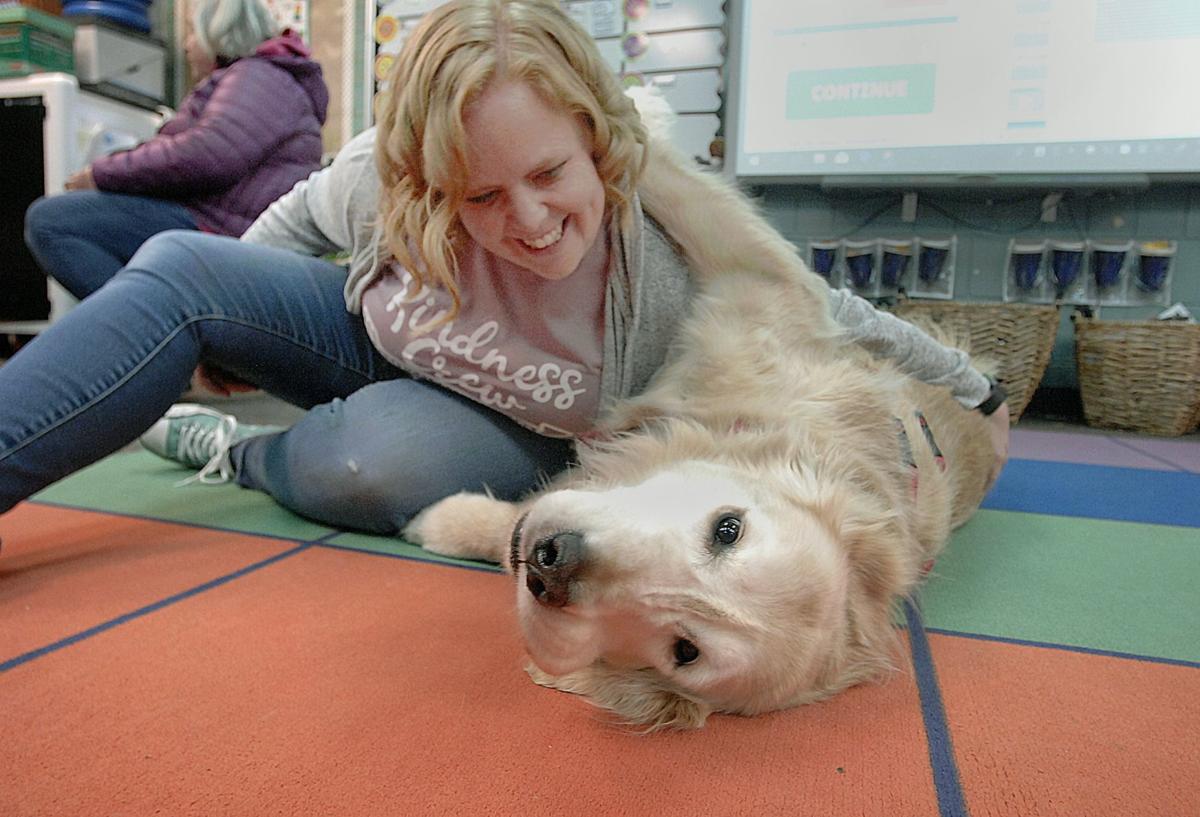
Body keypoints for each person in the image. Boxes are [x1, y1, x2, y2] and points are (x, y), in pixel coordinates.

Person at [0, 0, 1009, 537]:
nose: (526, 222)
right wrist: (233, 333)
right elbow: (296, 213)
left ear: (598, 141)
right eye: (480, 196)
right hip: (368, 338)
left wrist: (979, 390)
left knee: (373, 464)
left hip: (508, 423)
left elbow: (832, 311)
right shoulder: (386, 182)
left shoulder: (677, 253)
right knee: (178, 260)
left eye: (548, 174)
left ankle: (231, 451)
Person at [22, 0, 328, 301]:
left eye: (193, 32)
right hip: (225, 227)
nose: (185, 44)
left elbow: (208, 154)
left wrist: (100, 174)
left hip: (221, 233)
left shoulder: (257, 77)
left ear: (218, 33)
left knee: (54, 222)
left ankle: (147, 326)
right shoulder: (265, 79)